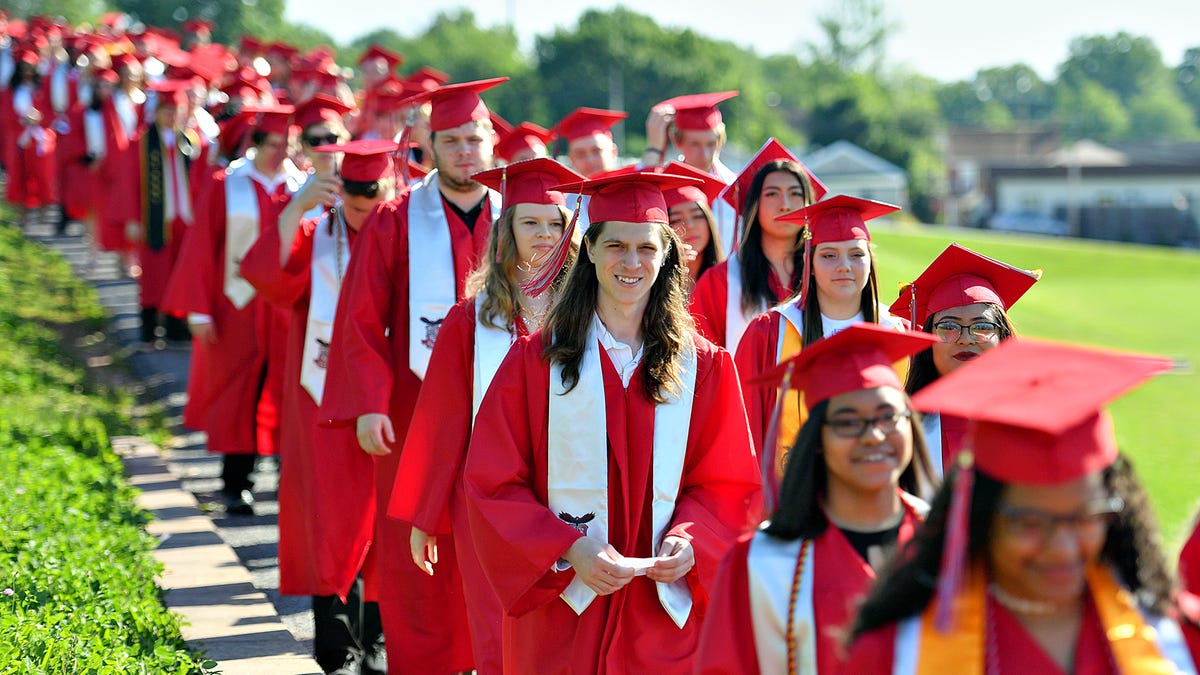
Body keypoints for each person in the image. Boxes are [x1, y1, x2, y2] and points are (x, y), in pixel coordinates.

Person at [464, 171, 761, 673]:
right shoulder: (535, 362)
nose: (631, 261)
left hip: (662, 602)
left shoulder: (704, 366)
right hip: (563, 601)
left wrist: (692, 539)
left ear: (667, 253)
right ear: (590, 252)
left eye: (646, 247)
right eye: (616, 245)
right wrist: (567, 547)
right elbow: (492, 481)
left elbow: (728, 483)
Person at [844, 339, 1197, 673]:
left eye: (1085, 517)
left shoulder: (1178, 638)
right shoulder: (895, 654)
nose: (1062, 548)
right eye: (1029, 522)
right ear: (978, 516)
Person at [319, 77, 507, 675]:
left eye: (473, 139)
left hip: (507, 411)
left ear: (491, 141)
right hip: (415, 409)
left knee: (500, 542)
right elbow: (361, 321)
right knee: (413, 548)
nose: (463, 152)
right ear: (430, 145)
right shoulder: (396, 219)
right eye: (449, 141)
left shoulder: (524, 220)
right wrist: (371, 403)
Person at [390, 158, 584, 674]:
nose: (544, 234)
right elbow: (441, 422)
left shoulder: (592, 315)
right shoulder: (471, 320)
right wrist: (425, 516)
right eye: (530, 222)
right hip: (487, 499)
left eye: (554, 223)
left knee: (569, 626)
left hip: (575, 491)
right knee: (497, 625)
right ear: (507, 233)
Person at [695, 323, 939, 674]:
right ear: (817, 441)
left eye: (888, 416)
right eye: (847, 422)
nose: (873, 436)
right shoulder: (763, 561)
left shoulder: (947, 541)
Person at [240, 139, 398, 674]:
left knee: (387, 511)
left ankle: (375, 636)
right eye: (352, 202)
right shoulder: (317, 234)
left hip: (389, 395)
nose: (362, 212)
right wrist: (297, 205)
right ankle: (334, 638)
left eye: (371, 200)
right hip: (322, 394)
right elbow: (265, 274)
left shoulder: (405, 236)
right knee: (329, 512)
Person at [161, 104, 305, 516]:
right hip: (236, 306)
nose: (280, 153)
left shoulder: (300, 189)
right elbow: (202, 247)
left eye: (286, 144)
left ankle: (285, 479)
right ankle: (235, 484)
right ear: (255, 144)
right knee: (239, 393)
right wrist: (198, 310)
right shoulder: (228, 184)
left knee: (285, 391)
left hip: (283, 309)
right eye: (272, 144)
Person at [735, 195, 906, 478]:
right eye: (828, 255)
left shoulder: (897, 331)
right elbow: (742, 426)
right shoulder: (770, 332)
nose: (844, 266)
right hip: (789, 496)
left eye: (856, 254)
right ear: (809, 262)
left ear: (870, 260)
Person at [891, 243, 1040, 476]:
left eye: (981, 326)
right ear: (927, 339)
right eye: (948, 326)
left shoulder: (1033, 425)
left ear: (1002, 338)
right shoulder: (897, 428)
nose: (965, 339)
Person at [689, 139, 827, 352]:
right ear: (754, 205)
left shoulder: (825, 274)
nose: (785, 205)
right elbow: (703, 359)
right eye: (772, 194)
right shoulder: (720, 282)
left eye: (795, 194)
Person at [130, 79, 197, 347]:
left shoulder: (188, 141)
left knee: (179, 274)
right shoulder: (142, 142)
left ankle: (175, 327)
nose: (171, 116)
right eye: (167, 110)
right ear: (156, 112)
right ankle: (148, 329)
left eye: (175, 110)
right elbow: (130, 183)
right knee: (155, 275)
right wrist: (134, 218)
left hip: (184, 218)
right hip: (156, 219)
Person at [641, 90, 738, 183]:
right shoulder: (665, 185)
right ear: (677, 141)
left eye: (711, 144)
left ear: (720, 140)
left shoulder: (736, 186)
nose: (705, 155)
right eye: (695, 144)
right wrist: (654, 148)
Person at [660, 160, 726, 285]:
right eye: (676, 219)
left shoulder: (730, 281)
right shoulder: (652, 284)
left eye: (697, 216)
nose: (689, 225)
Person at [551, 106, 626, 178]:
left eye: (597, 151)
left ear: (613, 152)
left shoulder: (633, 189)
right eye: (580, 154)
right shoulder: (563, 191)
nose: (590, 161)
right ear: (571, 159)